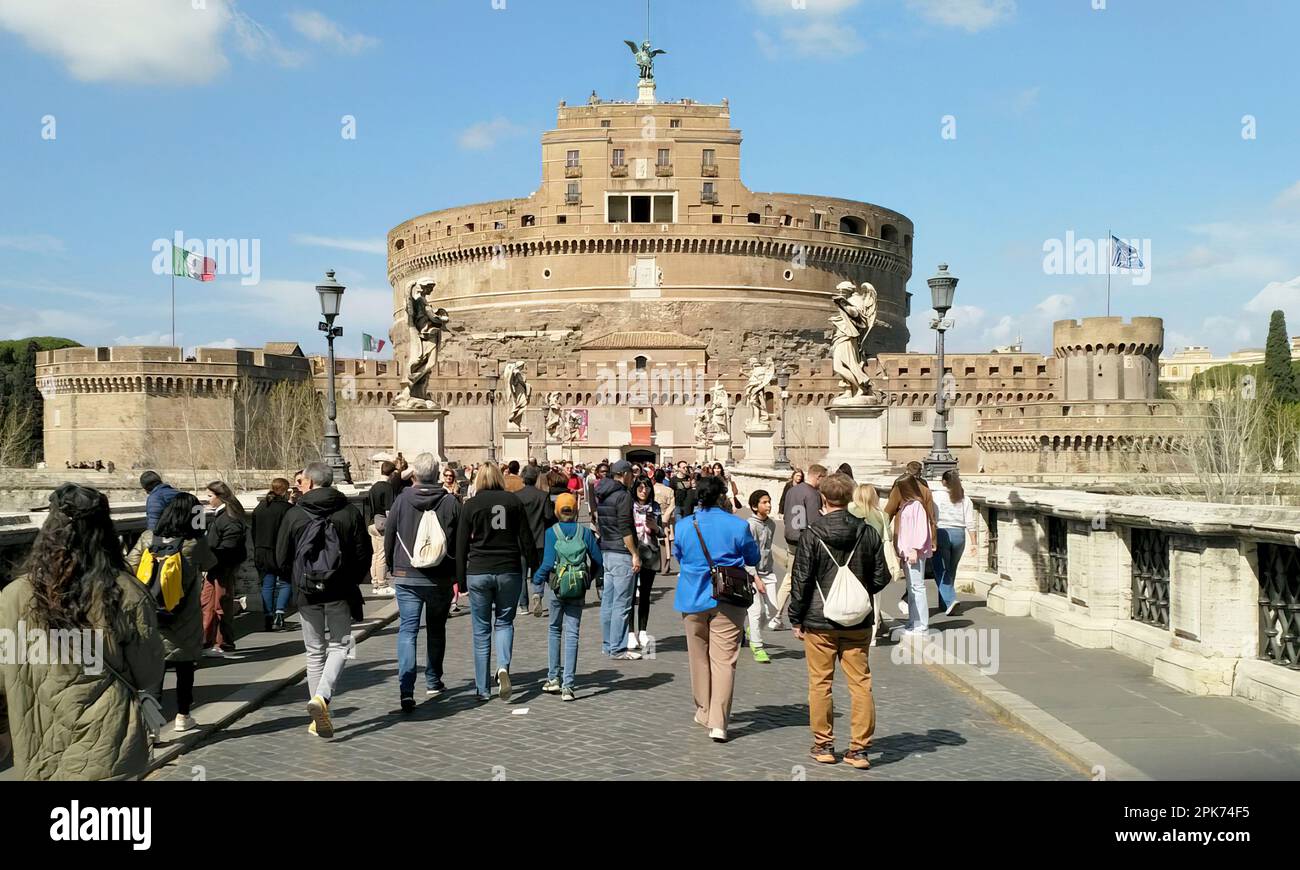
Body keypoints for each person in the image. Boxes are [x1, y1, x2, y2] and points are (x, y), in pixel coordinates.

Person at [0, 484, 163, 780]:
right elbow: (148, 673)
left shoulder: (13, 597)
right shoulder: (125, 593)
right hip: (108, 744)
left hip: (36, 743)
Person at [789, 473, 890, 769]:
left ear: (823, 498)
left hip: (819, 621)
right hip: (857, 621)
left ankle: (823, 745)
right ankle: (859, 750)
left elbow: (801, 580)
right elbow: (881, 576)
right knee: (861, 684)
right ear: (850, 499)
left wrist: (796, 617)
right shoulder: (867, 532)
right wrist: (859, 592)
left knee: (820, 683)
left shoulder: (812, 533)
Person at [275, 462, 372, 738]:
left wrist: (297, 580)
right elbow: (362, 552)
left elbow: (281, 557)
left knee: (314, 651)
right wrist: (348, 579)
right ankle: (322, 699)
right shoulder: (349, 512)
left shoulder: (295, 514)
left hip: (306, 592)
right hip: (340, 591)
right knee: (342, 646)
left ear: (311, 482)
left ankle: (317, 713)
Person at [672, 476, 759, 742]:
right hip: (728, 598)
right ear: (723, 496)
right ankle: (719, 723)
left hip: (693, 597)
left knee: (698, 658)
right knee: (724, 661)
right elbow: (753, 557)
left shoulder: (685, 526)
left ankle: (704, 709)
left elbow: (680, 555)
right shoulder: (738, 525)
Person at [127, 491, 214, 732]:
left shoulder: (147, 538)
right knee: (185, 669)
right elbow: (210, 564)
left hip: (151, 617)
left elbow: (129, 567)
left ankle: (151, 728)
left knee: (155, 673)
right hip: (184, 616)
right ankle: (183, 716)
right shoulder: (194, 543)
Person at [385, 453, 460, 712]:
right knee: (437, 629)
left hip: (406, 574)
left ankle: (406, 689)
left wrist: (392, 567)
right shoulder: (450, 501)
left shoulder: (402, 499)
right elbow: (459, 541)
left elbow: (390, 532)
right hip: (439, 576)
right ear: (438, 475)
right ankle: (433, 680)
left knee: (408, 630)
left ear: (414, 474)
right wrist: (457, 575)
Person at [455, 462, 535, 701]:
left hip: (478, 570)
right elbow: (526, 539)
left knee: (481, 631)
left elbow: (460, 545)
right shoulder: (513, 502)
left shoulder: (471, 505)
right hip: (508, 569)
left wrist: (461, 580)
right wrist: (536, 567)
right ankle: (502, 666)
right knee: (504, 623)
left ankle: (482, 688)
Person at [532, 493, 603, 700]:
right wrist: (588, 580)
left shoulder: (551, 532)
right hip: (578, 587)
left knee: (555, 629)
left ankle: (553, 677)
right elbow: (598, 560)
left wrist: (537, 579)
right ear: (574, 510)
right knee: (573, 633)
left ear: (557, 511)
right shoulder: (584, 533)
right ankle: (568, 685)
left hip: (557, 587)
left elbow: (546, 564)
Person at [594, 460, 642, 660]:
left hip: (606, 550)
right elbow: (625, 527)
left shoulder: (603, 493)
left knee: (608, 601)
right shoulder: (623, 495)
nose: (633, 478)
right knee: (622, 603)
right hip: (621, 551)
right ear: (623, 474)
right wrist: (634, 553)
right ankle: (618, 648)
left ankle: (608, 644)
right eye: (631, 474)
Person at [772, 464, 827, 631]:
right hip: (805, 541)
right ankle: (777, 614)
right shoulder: (812, 494)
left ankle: (777, 613)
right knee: (793, 578)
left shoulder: (792, 490)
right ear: (818, 477)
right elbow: (814, 523)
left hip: (791, 537)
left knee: (792, 576)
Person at [884, 464, 938, 636]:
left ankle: (921, 625)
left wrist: (914, 548)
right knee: (912, 586)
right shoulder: (912, 502)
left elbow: (921, 528)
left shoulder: (915, 505)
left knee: (917, 586)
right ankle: (913, 622)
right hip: (907, 551)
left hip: (913, 551)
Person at [848, 483, 902, 644]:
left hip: (853, 561)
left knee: (853, 595)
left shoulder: (850, 510)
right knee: (874, 599)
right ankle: (872, 633)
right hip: (874, 562)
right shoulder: (881, 515)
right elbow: (889, 537)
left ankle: (852, 627)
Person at [202, 480, 247, 655]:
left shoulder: (228, 519)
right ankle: (211, 641)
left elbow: (228, 548)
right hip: (217, 567)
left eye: (210, 496)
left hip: (221, 568)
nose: (208, 500)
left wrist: (211, 559)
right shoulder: (224, 516)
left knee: (220, 605)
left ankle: (222, 643)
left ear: (220, 497)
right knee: (209, 604)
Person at [934, 469, 977, 619]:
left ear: (944, 481)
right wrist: (974, 543)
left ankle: (951, 600)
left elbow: (932, 516)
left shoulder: (936, 496)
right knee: (951, 569)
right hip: (960, 534)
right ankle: (945, 602)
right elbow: (970, 522)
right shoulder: (965, 498)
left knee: (940, 569)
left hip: (942, 533)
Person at [252, 478, 294, 631]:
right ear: (285, 490)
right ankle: (280, 614)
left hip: (262, 551)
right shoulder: (287, 509)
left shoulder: (261, 507)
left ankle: (267, 617)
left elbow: (254, 531)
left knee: (267, 585)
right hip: (281, 551)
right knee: (285, 582)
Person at [516, 464, 557, 617]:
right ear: (535, 479)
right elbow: (548, 516)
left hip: (521, 541)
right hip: (540, 538)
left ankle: (523, 605)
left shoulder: (516, 496)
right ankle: (538, 594)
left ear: (522, 478)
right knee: (538, 570)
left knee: (521, 574)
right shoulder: (543, 495)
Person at [744, 490, 779, 663]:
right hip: (752, 573)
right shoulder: (749, 526)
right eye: (764, 502)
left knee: (773, 609)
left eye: (769, 501)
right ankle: (757, 646)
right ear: (754, 506)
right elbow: (747, 554)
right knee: (755, 610)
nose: (769, 505)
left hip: (768, 571)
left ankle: (753, 629)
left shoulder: (772, 524)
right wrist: (755, 577)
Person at [630, 477, 663, 651]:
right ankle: (630, 633)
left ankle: (643, 631)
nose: (644, 490)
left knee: (645, 594)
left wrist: (656, 528)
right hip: (633, 552)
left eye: (647, 487)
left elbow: (662, 532)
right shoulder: (629, 505)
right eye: (641, 487)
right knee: (629, 593)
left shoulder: (655, 507)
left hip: (650, 552)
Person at [365, 461, 398, 598]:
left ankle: (375, 582)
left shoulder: (374, 487)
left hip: (372, 523)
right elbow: (389, 510)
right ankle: (382, 583)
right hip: (382, 525)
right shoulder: (388, 488)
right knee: (382, 555)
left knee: (375, 554)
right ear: (391, 473)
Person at [653, 469, 676, 574]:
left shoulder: (650, 489)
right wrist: (666, 516)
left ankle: (656, 564)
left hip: (653, 517)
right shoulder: (669, 490)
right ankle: (665, 566)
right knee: (666, 542)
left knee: (655, 541)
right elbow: (672, 505)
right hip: (666, 517)